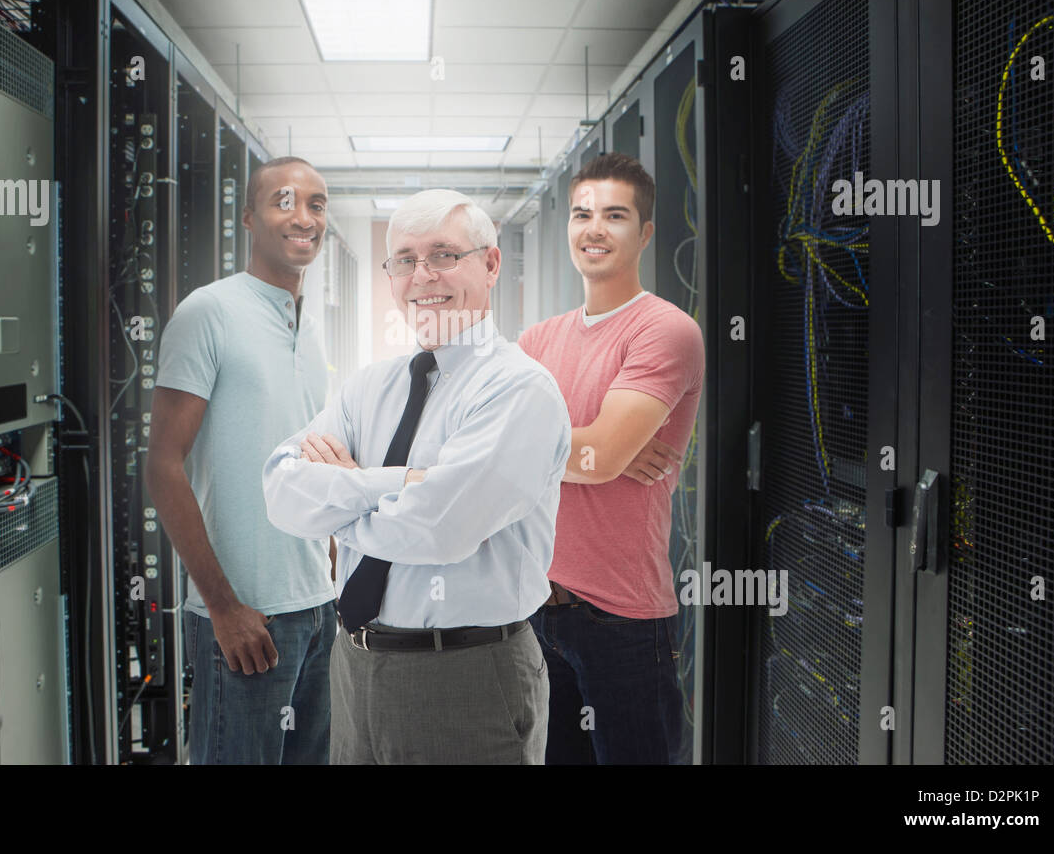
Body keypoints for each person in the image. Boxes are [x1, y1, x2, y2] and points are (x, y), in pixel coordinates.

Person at [262, 189, 571, 764]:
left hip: (466, 675)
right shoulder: (368, 386)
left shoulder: (519, 390)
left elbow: (438, 531)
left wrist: (342, 501)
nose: (422, 275)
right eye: (405, 258)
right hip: (353, 666)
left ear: (491, 264)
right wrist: (399, 483)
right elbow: (281, 487)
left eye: (444, 254)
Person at [147, 156, 336, 764]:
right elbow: (162, 466)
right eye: (284, 200)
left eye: (317, 203)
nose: (303, 217)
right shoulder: (210, 312)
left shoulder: (310, 328)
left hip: (316, 609)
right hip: (246, 617)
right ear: (250, 217)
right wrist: (224, 608)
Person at [518, 152, 705, 764]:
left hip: (621, 622)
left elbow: (594, 456)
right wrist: (593, 448)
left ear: (645, 233)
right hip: (537, 608)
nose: (594, 228)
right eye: (582, 214)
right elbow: (485, 447)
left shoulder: (665, 331)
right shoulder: (537, 340)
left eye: (615, 215)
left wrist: (580, 451)